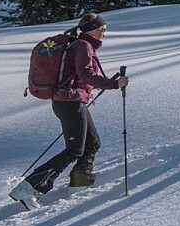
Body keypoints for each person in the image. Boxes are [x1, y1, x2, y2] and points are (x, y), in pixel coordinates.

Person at [10, 12, 128, 209]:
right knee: (75, 149)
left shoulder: (79, 44)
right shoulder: (83, 45)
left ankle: (80, 182)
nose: (104, 34)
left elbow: (81, 76)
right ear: (92, 29)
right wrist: (114, 84)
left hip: (70, 101)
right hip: (69, 102)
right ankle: (29, 188)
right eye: (103, 30)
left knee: (92, 142)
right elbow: (86, 74)